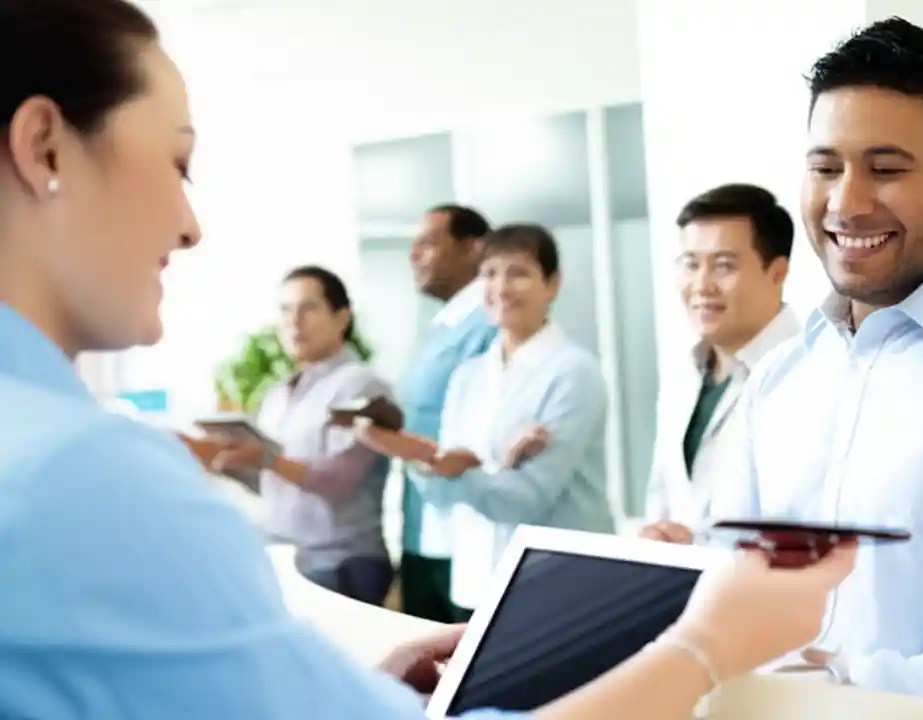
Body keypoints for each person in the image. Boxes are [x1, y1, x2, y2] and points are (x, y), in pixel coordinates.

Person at [0, 1, 858, 718]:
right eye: (177, 162)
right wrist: (703, 648)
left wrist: (345, 695)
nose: (192, 225)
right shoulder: (85, 475)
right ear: (44, 147)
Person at [713, 17, 923, 708]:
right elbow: (723, 604)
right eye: (825, 167)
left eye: (886, 169)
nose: (846, 202)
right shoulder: (780, 378)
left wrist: (817, 679)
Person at [358, 224, 615, 612]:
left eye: (519, 273)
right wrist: (433, 461)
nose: (501, 288)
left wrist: (460, 468)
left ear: (553, 283)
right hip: (478, 583)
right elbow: (440, 495)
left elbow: (526, 498)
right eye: (490, 274)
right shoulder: (469, 376)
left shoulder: (574, 373)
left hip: (556, 586)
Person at [208, 265, 396, 606]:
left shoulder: (361, 385)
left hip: (340, 564)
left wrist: (266, 458)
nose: (293, 321)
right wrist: (231, 462)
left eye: (308, 308)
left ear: (342, 318)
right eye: (285, 309)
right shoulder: (279, 393)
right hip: (287, 557)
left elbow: (339, 482)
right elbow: (275, 483)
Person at [641, 183, 799, 544]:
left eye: (723, 266)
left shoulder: (808, 376)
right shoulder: (685, 374)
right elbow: (663, 498)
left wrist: (698, 547)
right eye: (691, 264)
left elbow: (808, 523)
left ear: (777, 273)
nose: (701, 284)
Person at [399, 203, 499, 622]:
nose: (414, 255)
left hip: (465, 537)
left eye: (428, 242)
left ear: (473, 249)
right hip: (424, 530)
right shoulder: (444, 326)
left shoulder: (487, 325)